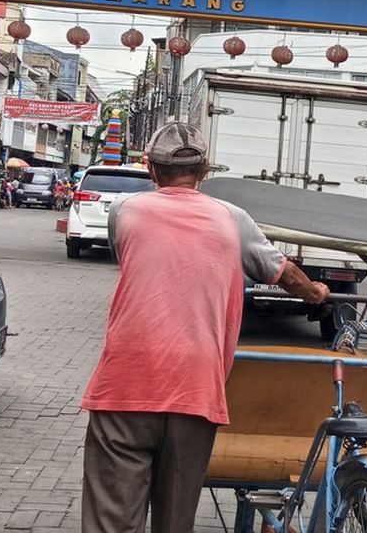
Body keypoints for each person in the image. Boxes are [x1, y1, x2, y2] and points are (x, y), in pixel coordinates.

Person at [80, 121, 329, 533]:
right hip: (194, 388)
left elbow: (126, 256)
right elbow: (283, 272)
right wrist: (316, 294)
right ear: (205, 171)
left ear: (150, 169)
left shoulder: (123, 211)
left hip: (124, 385)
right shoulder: (233, 219)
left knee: (111, 520)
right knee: (175, 520)